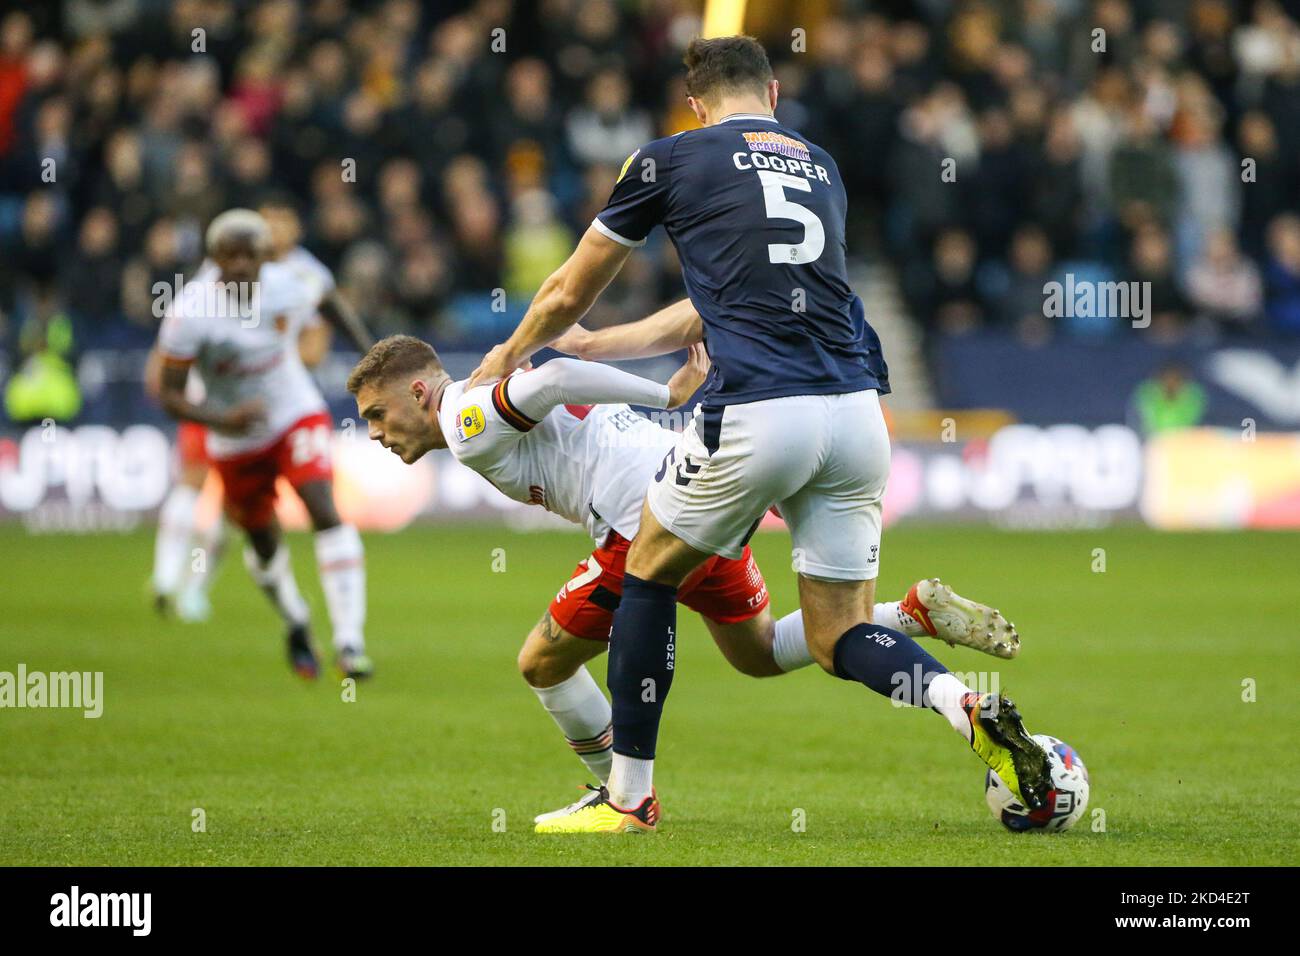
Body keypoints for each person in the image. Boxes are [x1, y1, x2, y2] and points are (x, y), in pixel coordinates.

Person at [467, 36, 1054, 831]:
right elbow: (735, 297)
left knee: (646, 573)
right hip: (855, 414)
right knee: (835, 634)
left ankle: (629, 798)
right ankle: (961, 704)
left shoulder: (667, 158)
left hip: (758, 411)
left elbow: (573, 284)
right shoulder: (819, 165)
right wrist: (605, 347)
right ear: (774, 95)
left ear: (697, 105)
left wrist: (506, 354)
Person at [348, 334, 1020, 819]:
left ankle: (618, 795)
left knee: (542, 663)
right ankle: (907, 615)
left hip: (636, 519)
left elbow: (553, 376)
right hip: (696, 491)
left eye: (378, 414)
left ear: (418, 390)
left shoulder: (462, 420)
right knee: (758, 653)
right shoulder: (473, 402)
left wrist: (663, 391)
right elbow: (549, 383)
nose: (376, 433)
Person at [154, 209, 371, 679]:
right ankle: (295, 617)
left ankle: (350, 643)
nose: (236, 265)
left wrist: (371, 354)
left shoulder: (290, 282)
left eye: (246, 255)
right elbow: (168, 393)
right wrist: (222, 418)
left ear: (263, 257)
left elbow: (329, 298)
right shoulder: (189, 312)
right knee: (262, 539)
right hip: (234, 438)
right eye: (226, 256)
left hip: (294, 411)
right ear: (212, 258)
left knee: (322, 506)